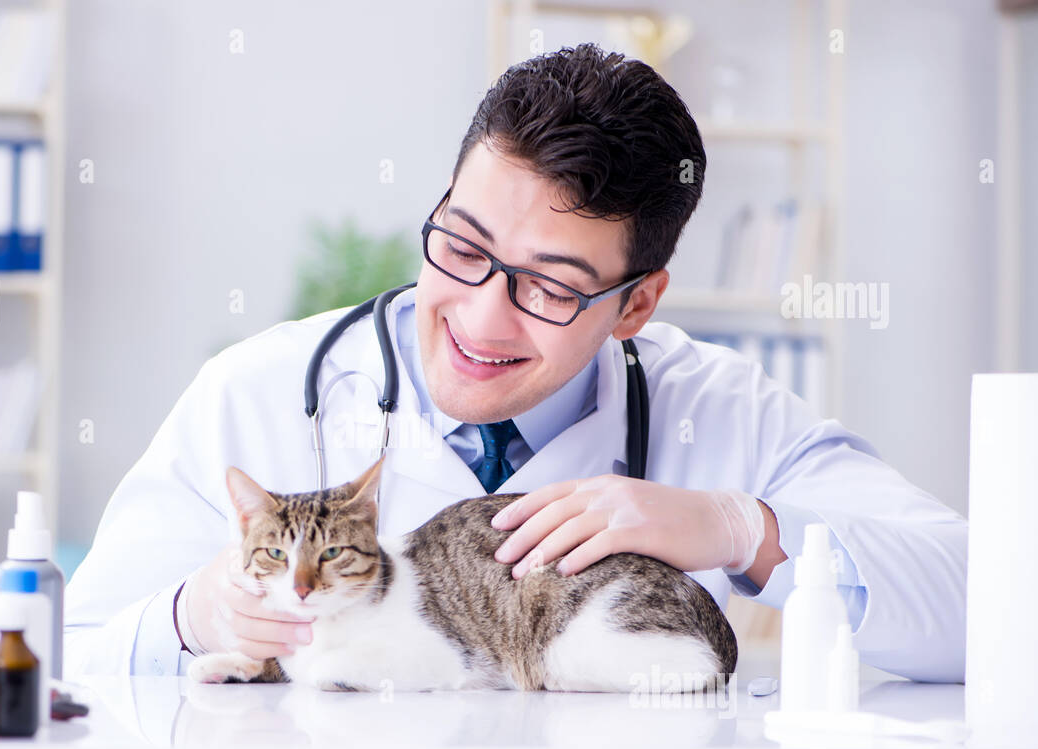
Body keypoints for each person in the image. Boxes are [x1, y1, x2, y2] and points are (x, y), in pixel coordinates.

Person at [64, 44, 967, 684]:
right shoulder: (258, 391)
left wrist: (748, 532)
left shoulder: (718, 408)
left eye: (550, 286)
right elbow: (64, 652)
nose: (480, 316)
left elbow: (988, 609)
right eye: (462, 245)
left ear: (637, 305)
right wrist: (191, 618)